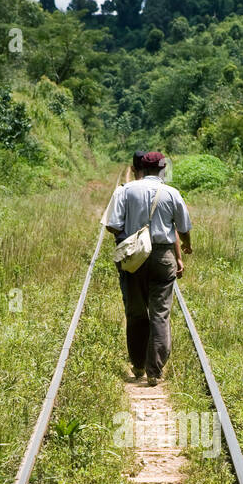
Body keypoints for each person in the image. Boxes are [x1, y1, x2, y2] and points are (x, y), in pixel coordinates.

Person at [106, 151, 192, 385]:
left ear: (141, 168)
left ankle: (138, 365)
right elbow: (183, 227)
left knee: (135, 312)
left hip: (134, 255)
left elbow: (113, 226)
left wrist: (132, 236)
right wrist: (185, 246)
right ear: (163, 169)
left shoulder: (126, 190)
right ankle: (155, 371)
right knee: (160, 314)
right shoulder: (172, 193)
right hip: (163, 256)